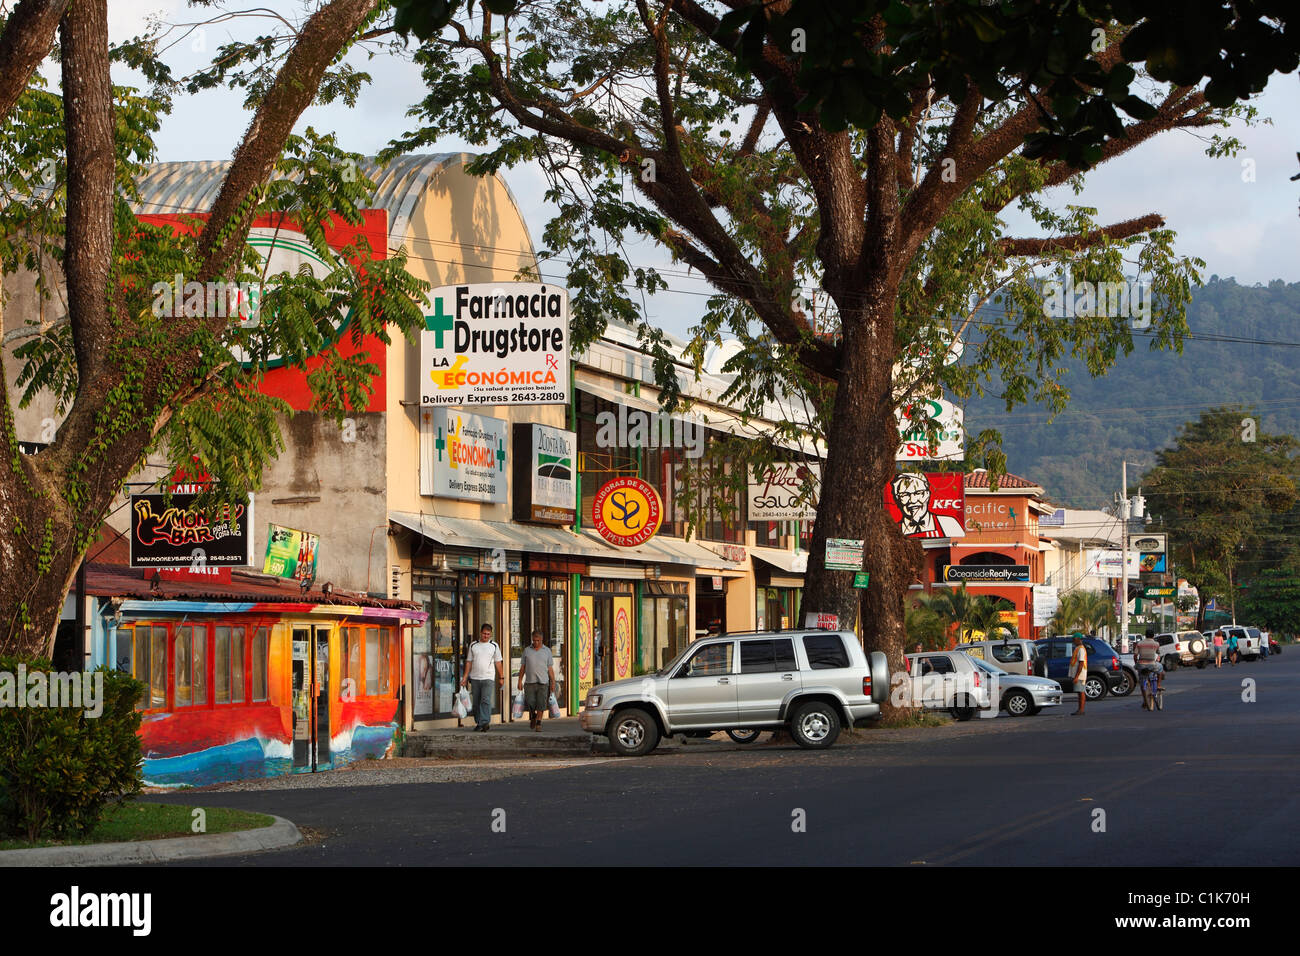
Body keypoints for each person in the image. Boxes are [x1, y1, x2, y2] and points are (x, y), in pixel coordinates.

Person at [890, 472, 964, 538]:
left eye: (918, 493)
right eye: (905, 495)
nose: (913, 500)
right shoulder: (893, 531)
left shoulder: (948, 524)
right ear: (897, 499)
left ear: (928, 494)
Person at [461, 624, 503, 731]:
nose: (486, 636)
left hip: (488, 677)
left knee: (485, 700)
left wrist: (501, 677)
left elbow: (498, 662)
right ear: (481, 633)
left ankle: (484, 722)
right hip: (475, 678)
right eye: (484, 633)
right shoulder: (473, 645)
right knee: (476, 702)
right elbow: (469, 662)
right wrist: (465, 677)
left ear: (491, 634)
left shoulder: (494, 645)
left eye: (488, 634)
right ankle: (479, 722)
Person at [517, 629, 556, 731]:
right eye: (534, 640)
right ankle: (533, 716)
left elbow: (550, 669)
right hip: (529, 682)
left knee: (541, 704)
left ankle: (538, 723)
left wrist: (553, 682)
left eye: (538, 640)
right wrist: (519, 680)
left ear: (542, 640)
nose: (536, 642)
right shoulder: (527, 650)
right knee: (530, 703)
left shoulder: (547, 651)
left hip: (543, 683)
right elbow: (523, 667)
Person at [1133, 627, 1163, 710]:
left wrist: (1137, 664)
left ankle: (1145, 701)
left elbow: (1135, 656)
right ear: (1153, 636)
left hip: (1141, 665)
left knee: (1142, 684)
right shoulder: (1156, 644)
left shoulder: (1139, 643)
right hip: (1152, 665)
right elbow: (1158, 654)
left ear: (1145, 636)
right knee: (1160, 668)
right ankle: (1159, 684)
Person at [1069, 632, 1088, 715]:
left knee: (1081, 691)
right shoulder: (1077, 648)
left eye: (1074, 639)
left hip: (1080, 674)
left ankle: (1081, 710)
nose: (1073, 641)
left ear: (1077, 639)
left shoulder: (1081, 649)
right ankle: (1080, 709)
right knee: (1079, 692)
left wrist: (1076, 676)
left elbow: (1081, 663)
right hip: (1078, 674)